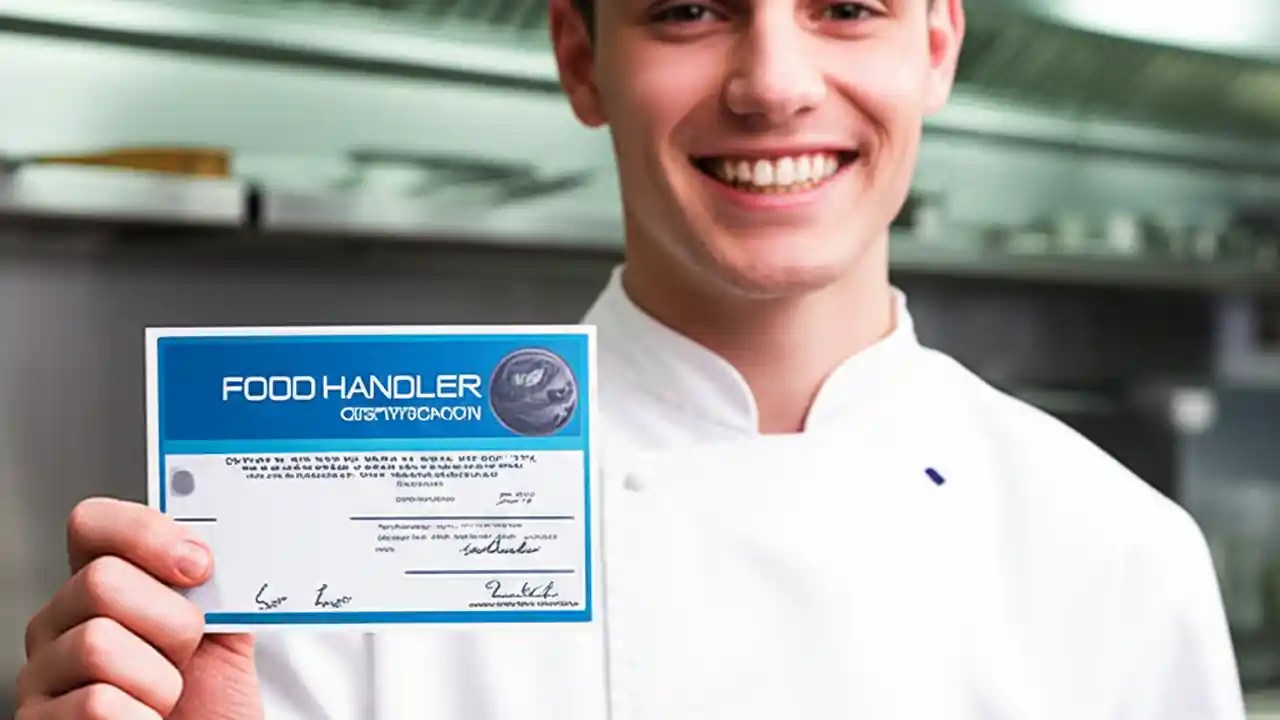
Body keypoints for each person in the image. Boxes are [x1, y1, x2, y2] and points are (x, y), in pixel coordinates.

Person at [15, 0, 1246, 717]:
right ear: (579, 56)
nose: (771, 83)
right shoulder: (334, 534)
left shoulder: (1114, 551)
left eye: (847, 5)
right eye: (686, 7)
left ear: (935, 41)